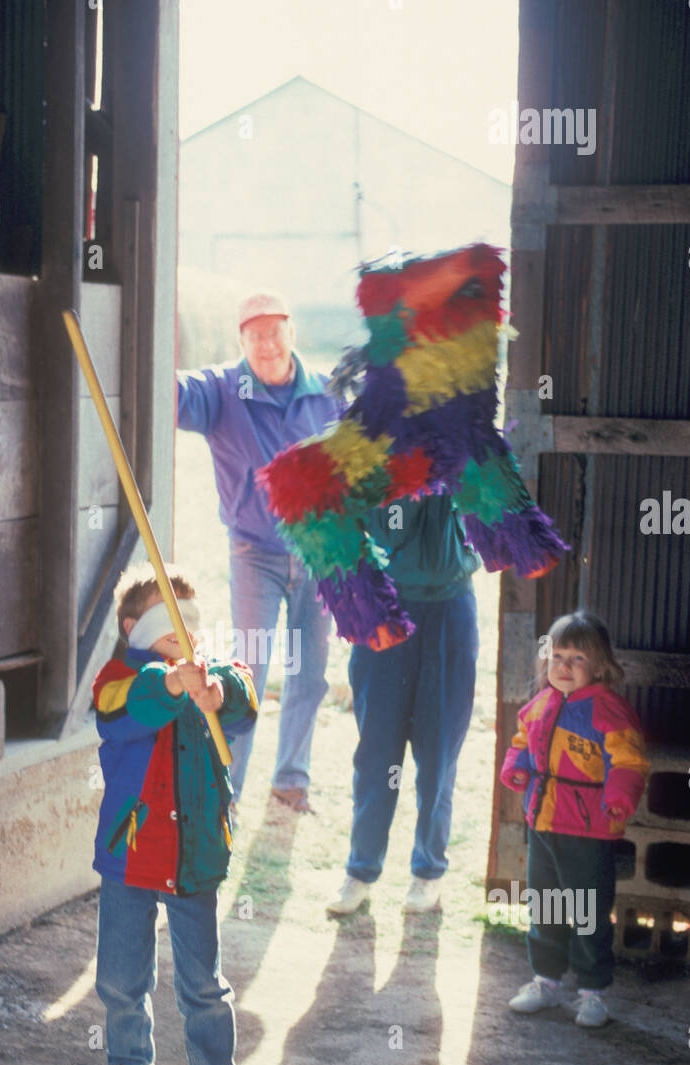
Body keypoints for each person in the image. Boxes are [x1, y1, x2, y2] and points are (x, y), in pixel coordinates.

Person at [88, 563, 258, 1065]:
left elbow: (244, 698)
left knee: (202, 984)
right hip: (130, 854)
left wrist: (219, 693)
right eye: (169, 626)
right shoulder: (119, 678)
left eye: (191, 625)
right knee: (119, 974)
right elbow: (117, 713)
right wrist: (168, 684)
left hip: (194, 855)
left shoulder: (209, 674)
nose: (185, 639)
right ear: (134, 628)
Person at [176, 290, 342, 813]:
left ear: (292, 334)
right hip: (255, 555)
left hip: (319, 555)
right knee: (246, 673)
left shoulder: (327, 393)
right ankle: (228, 791)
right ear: (241, 341)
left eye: (275, 332)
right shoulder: (223, 391)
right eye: (255, 335)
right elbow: (172, 391)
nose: (267, 344)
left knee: (310, 674)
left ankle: (291, 782)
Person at [327, 495, 482, 916]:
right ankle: (360, 870)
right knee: (377, 752)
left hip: (451, 607)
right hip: (384, 605)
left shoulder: (462, 438)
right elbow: (332, 528)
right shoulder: (368, 446)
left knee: (438, 755)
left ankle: (428, 871)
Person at [500, 610, 649, 1027]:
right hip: (542, 822)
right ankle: (546, 982)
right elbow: (521, 741)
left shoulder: (609, 710)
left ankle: (592, 992)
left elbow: (629, 762)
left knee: (587, 908)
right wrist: (517, 766)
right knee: (544, 902)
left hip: (588, 827)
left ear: (600, 666)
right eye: (557, 655)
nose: (563, 666)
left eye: (577, 658)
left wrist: (619, 798)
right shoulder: (539, 704)